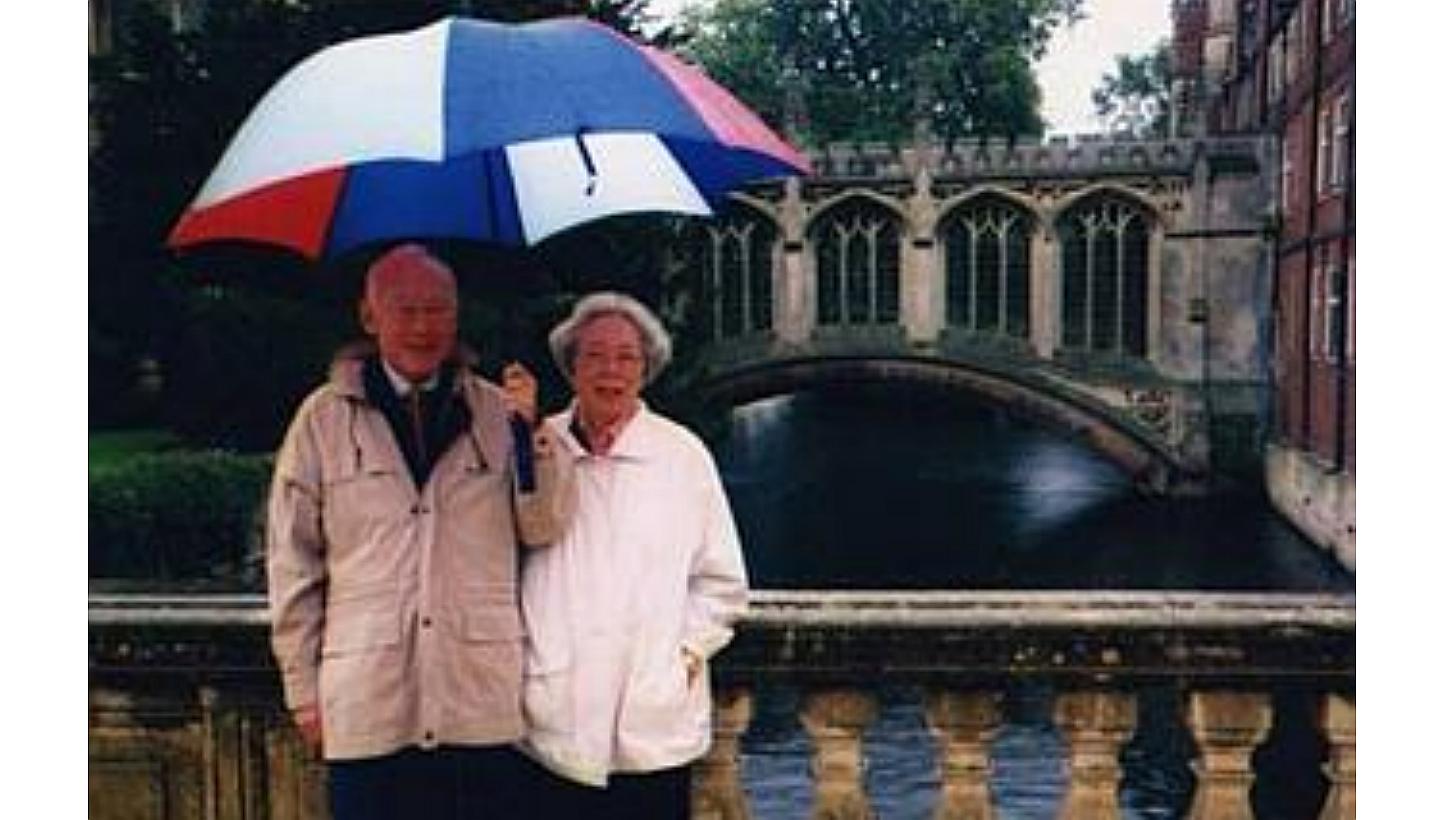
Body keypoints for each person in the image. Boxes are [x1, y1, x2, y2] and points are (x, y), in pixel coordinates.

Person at [265, 242, 574, 820]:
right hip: (368, 700)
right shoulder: (323, 418)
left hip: (477, 702)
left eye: (438, 310)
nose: (423, 326)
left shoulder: (497, 411)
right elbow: (292, 565)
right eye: (405, 310)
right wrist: (304, 693)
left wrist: (531, 435)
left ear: (458, 317)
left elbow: (543, 527)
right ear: (369, 317)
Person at [517, 291, 750, 819]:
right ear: (570, 367)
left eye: (626, 358)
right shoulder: (535, 445)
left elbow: (722, 582)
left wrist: (684, 655)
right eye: (594, 356)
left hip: (650, 721)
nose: (610, 371)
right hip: (551, 718)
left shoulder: (682, 455)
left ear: (646, 370)